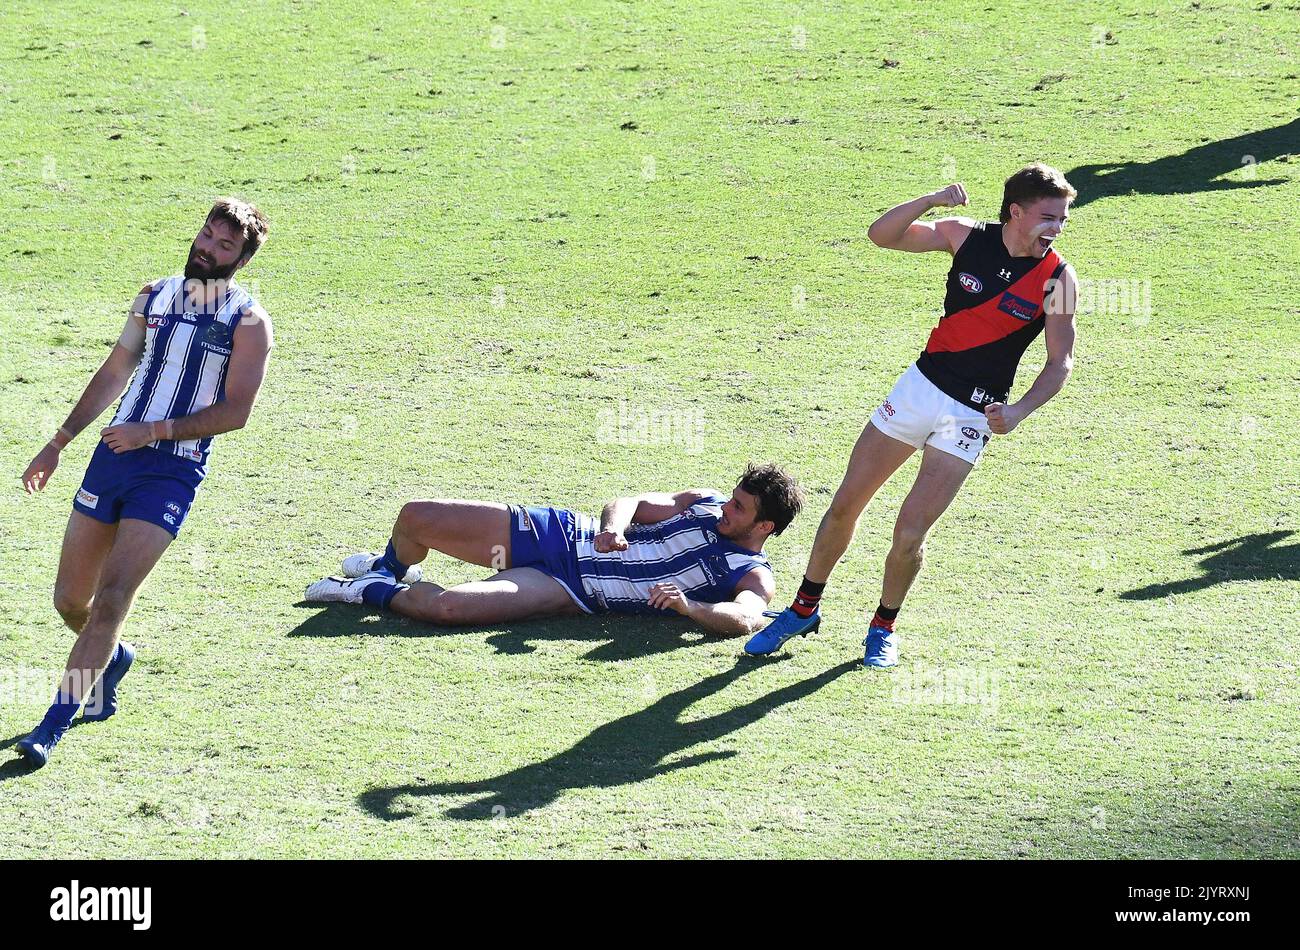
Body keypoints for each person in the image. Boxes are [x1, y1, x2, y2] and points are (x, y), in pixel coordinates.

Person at [746, 163, 1078, 668]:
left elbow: (1060, 363)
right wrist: (932, 198)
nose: (1056, 229)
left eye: (1062, 220)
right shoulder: (963, 236)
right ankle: (803, 608)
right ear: (1016, 212)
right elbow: (882, 236)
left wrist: (1020, 410)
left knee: (909, 533)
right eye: (1048, 217)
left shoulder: (1059, 278)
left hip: (971, 416)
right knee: (845, 506)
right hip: (919, 390)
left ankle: (883, 626)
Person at [15, 197, 272, 768]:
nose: (208, 248)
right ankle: (113, 656)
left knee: (110, 600)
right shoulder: (154, 295)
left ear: (242, 259)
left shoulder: (248, 322)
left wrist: (153, 431)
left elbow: (236, 412)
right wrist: (58, 443)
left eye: (225, 245)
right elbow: (115, 370)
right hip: (111, 459)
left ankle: (52, 726)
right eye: (207, 235)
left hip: (172, 471)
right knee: (69, 601)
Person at [305, 463, 803, 636]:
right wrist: (612, 528)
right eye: (731, 498)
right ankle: (388, 566)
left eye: (739, 509)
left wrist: (687, 605)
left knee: (447, 608)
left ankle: (365, 591)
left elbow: (744, 619)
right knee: (418, 517)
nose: (725, 510)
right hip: (561, 534)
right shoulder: (702, 503)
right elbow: (627, 502)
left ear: (765, 525)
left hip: (567, 587)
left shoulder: (753, 575)